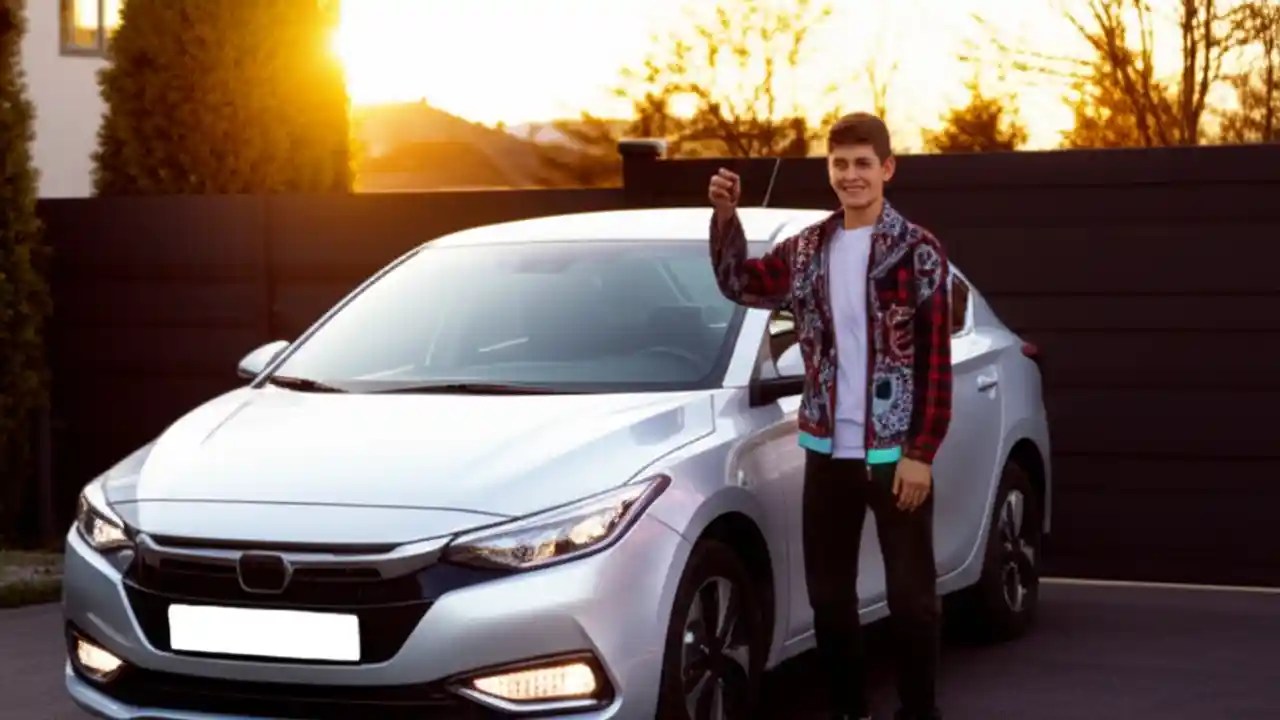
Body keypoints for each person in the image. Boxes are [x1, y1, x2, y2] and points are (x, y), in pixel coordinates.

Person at [707, 112, 951, 720]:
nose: (851, 175)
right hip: (825, 454)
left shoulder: (918, 251)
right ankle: (851, 711)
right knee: (830, 599)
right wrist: (725, 218)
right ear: (830, 171)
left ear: (887, 168)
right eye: (840, 164)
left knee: (912, 600)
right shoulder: (809, 250)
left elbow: (936, 363)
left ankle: (919, 712)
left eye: (863, 163)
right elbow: (741, 282)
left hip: (895, 457)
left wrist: (921, 454)